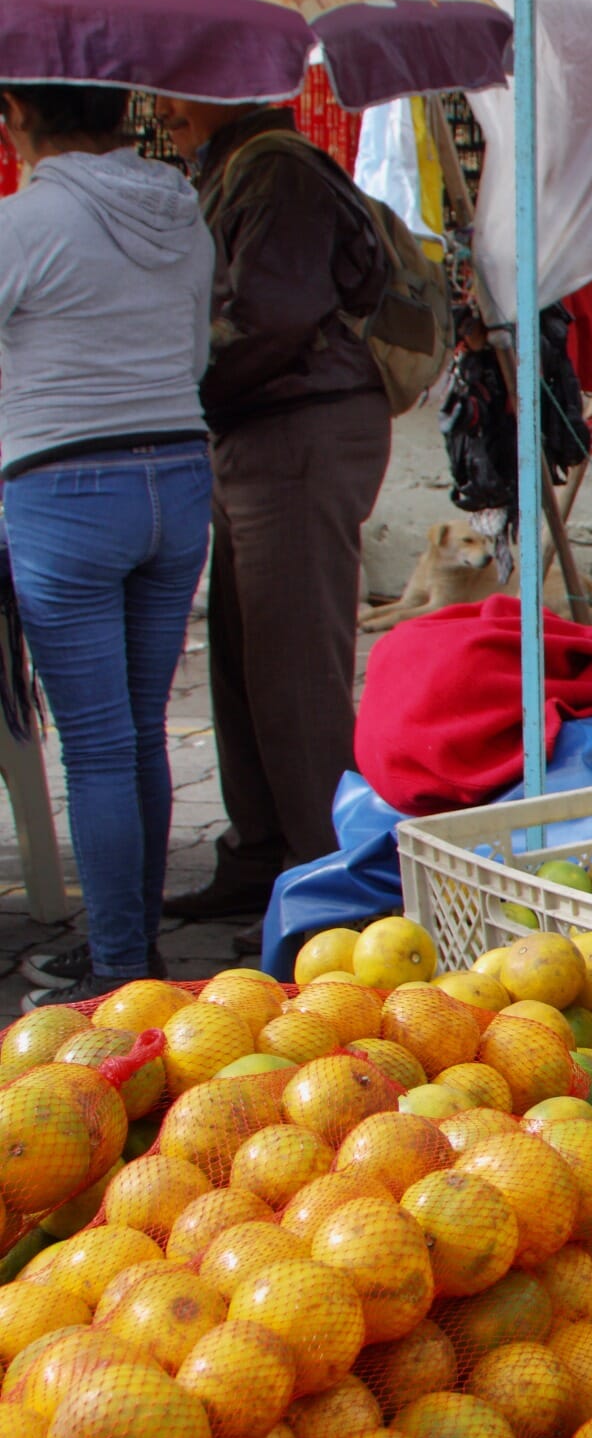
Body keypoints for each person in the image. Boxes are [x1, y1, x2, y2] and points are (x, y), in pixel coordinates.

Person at [151, 96, 394, 950]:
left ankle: (332, 876)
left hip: (298, 429)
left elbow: (272, 316)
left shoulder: (276, 167)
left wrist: (171, 377)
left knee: (292, 668)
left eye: (179, 90)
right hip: (259, 428)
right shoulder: (235, 167)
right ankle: (260, 850)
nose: (165, 109)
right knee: (244, 655)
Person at [0, 84, 214, 998]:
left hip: (65, 489)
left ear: (15, 112)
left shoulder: (25, 221)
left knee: (95, 744)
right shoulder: (181, 211)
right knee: (142, 731)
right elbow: (196, 353)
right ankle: (141, 947)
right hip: (178, 474)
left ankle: (121, 967)